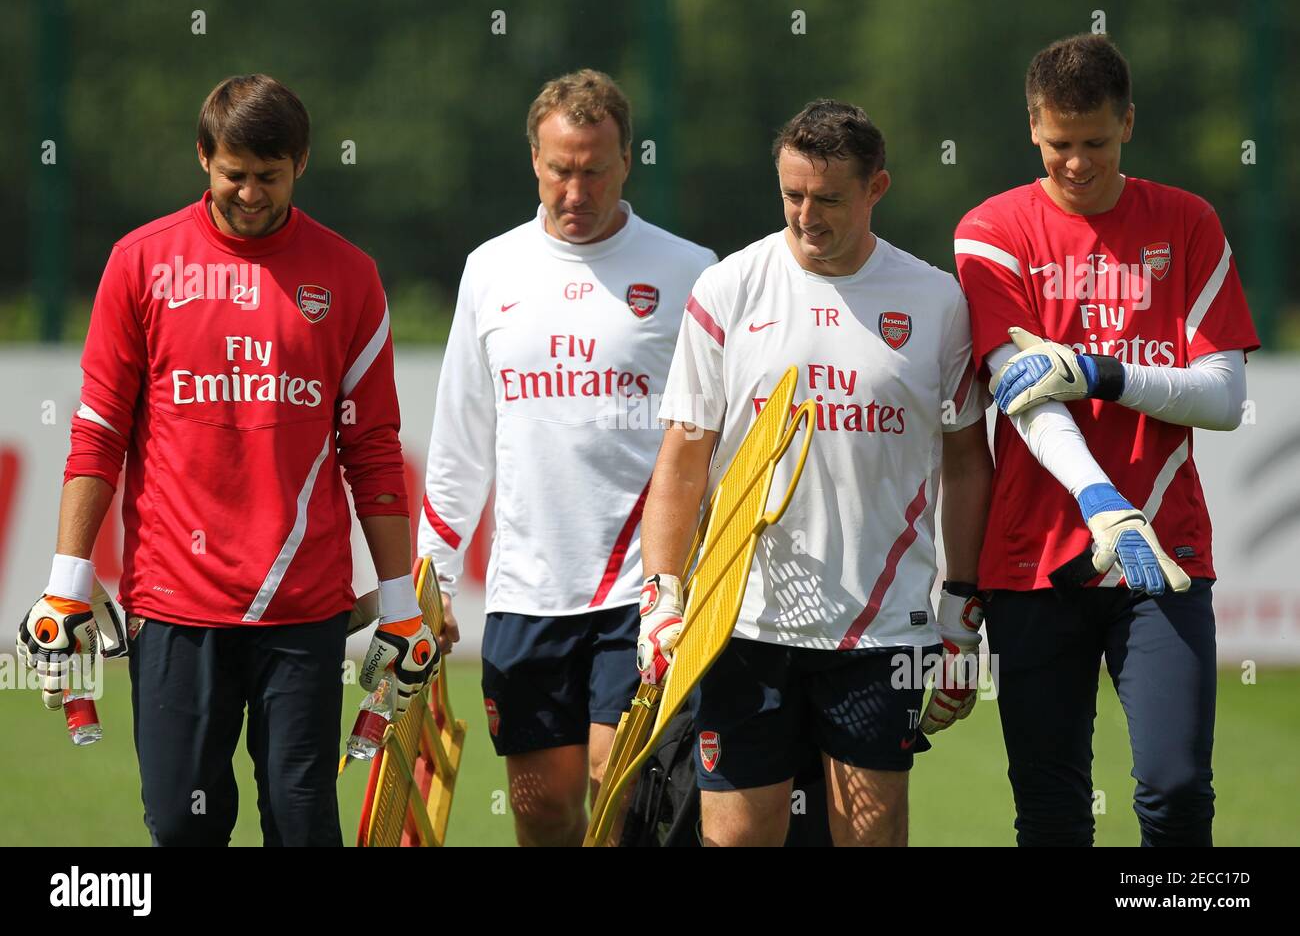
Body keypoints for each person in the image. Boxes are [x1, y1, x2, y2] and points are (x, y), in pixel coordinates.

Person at [16, 74, 437, 847]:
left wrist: (399, 600)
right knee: (182, 824)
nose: (249, 193)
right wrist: (66, 581)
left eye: (268, 177)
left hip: (303, 602)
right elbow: (99, 429)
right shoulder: (140, 264)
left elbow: (371, 449)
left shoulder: (348, 275)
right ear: (202, 157)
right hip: (174, 600)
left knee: (303, 821)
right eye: (233, 173)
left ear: (302, 163)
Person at [639, 99, 993, 847]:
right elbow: (683, 453)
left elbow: (966, 459)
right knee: (736, 837)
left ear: (877, 188)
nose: (807, 214)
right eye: (792, 195)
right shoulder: (729, 289)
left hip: (881, 626)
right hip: (740, 619)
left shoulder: (935, 301)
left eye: (829, 198)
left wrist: (960, 610)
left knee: (870, 837)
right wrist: (661, 593)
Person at [953, 34, 1260, 846]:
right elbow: (1025, 400)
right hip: (1031, 560)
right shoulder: (989, 231)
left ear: (1128, 123)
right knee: (1051, 814)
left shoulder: (1189, 222)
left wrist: (1103, 373)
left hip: (1163, 550)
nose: (1078, 163)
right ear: (1032, 130)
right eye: (1060, 145)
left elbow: (1225, 399)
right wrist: (1102, 504)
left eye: (1096, 142)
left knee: (1176, 789)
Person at [418, 69, 716, 846]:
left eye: (593, 169)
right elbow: (460, 436)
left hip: (643, 590)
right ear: (534, 162)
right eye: (559, 169)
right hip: (526, 592)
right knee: (541, 809)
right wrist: (434, 577)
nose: (575, 189)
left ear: (625, 164)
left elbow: (721, 435)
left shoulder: (690, 271)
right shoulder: (491, 269)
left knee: (615, 787)